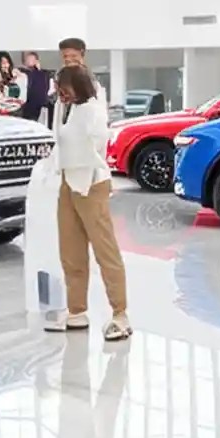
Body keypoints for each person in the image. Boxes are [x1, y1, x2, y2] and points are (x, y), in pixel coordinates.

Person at [46, 64, 131, 341]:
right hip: (68, 181)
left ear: (78, 86)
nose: (60, 92)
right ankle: (76, 311)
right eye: (58, 87)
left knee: (105, 250)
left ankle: (120, 314)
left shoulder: (93, 110)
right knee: (70, 252)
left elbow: (100, 144)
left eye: (64, 87)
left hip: (92, 183)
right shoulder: (62, 108)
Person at [59, 37, 105, 102]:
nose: (68, 59)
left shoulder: (89, 77)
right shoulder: (60, 76)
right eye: (65, 56)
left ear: (82, 53)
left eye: (73, 56)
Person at [18, 51, 52, 122]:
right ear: (24, 61)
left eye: (33, 59)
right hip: (27, 106)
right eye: (28, 58)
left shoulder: (44, 74)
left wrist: (39, 71)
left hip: (40, 106)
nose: (31, 60)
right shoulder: (21, 72)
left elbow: (45, 89)